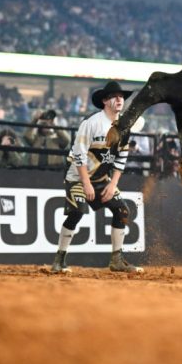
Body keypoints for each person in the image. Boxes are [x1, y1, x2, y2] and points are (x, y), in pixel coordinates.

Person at [51, 81, 142, 274]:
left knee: (123, 211)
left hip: (102, 179)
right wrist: (86, 183)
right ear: (104, 101)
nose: (120, 100)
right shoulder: (91, 123)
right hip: (78, 177)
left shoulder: (124, 126)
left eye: (122, 96)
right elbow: (78, 154)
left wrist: (113, 184)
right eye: (114, 96)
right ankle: (59, 260)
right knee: (76, 212)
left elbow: (122, 158)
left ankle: (117, 260)